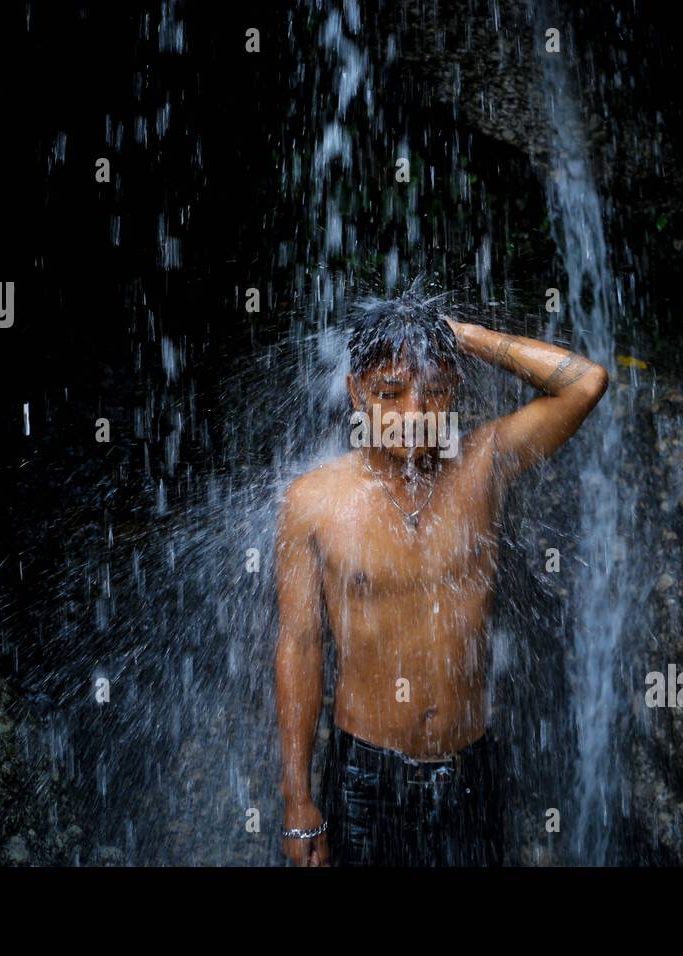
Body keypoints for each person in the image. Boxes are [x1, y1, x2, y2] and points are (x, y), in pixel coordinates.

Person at [275, 291, 608, 866]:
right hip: (365, 774)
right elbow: (300, 648)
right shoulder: (314, 502)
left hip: (469, 769)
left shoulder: (483, 464)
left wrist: (466, 336)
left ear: (454, 394)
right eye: (389, 393)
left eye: (433, 392)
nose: (412, 414)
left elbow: (586, 381)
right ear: (357, 393)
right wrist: (298, 799)